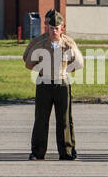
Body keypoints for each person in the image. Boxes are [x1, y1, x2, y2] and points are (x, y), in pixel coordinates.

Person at [23, 9, 81, 160]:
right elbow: (28, 62)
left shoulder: (68, 43)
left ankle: (66, 151)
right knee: (41, 119)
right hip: (44, 83)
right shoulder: (40, 42)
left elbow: (79, 63)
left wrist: (64, 71)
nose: (54, 30)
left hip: (62, 83)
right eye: (51, 27)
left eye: (56, 27)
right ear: (47, 27)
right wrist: (43, 69)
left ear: (62, 28)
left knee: (64, 119)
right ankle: (37, 152)